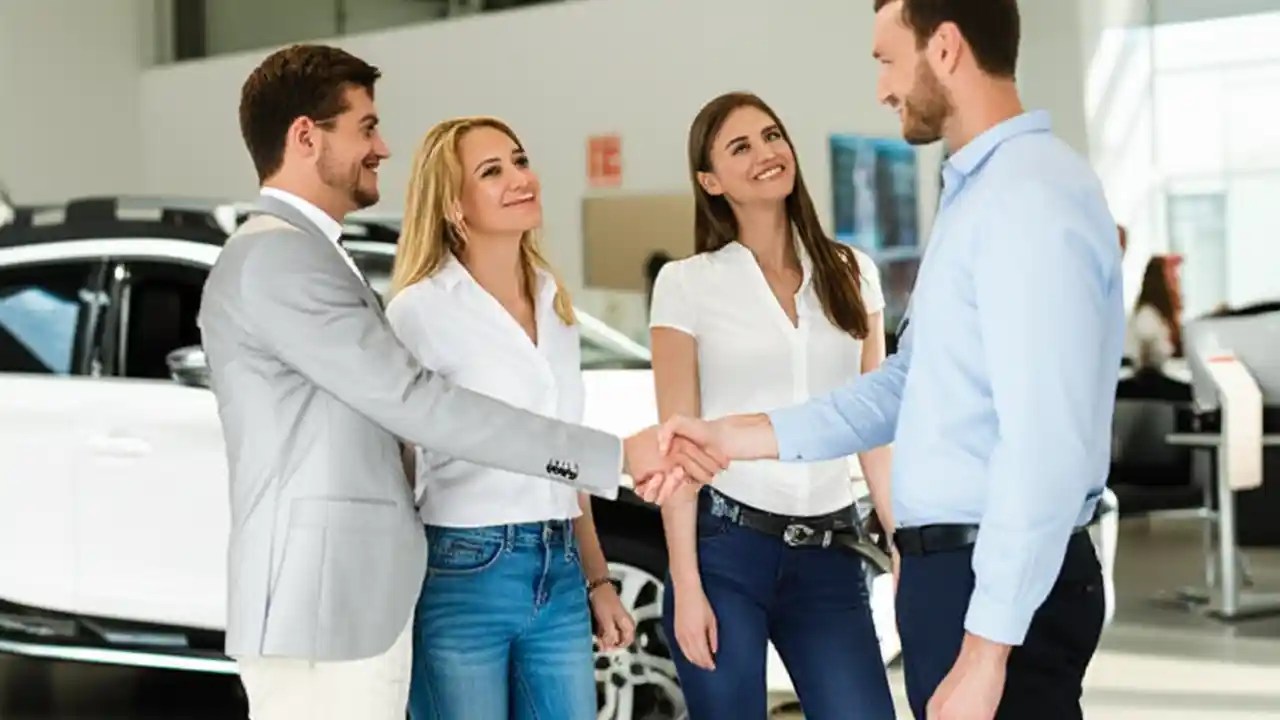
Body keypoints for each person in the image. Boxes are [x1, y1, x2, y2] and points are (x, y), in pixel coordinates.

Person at [197, 44, 723, 720]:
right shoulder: (280, 258)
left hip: (369, 600)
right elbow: (420, 407)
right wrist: (615, 457)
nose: (382, 146)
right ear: (306, 135)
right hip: (330, 606)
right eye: (365, 127)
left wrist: (593, 572)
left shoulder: (309, 255)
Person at [658, 2, 1125, 718]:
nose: (881, 88)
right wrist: (736, 435)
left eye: (886, 59)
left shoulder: (1026, 197)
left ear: (943, 48)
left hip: (985, 582)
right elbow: (907, 384)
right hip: (946, 572)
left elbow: (1046, 444)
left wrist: (987, 648)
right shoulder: (976, 194)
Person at [648, 91, 896, 720]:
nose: (766, 153)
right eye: (741, 147)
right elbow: (676, 447)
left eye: (772, 135)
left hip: (833, 551)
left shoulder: (852, 272)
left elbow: (875, 423)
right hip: (726, 549)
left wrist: (900, 540)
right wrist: (688, 586)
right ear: (711, 181)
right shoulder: (687, 284)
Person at [383, 116, 637, 720]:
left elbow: (565, 458)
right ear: (452, 204)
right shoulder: (419, 311)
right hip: (463, 572)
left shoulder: (556, 304)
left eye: (519, 161)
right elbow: (396, 471)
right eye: (491, 171)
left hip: (560, 573)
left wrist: (598, 580)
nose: (520, 178)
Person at [1126, 254, 1183, 370]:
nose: (1177, 280)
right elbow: (1158, 355)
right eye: (1172, 276)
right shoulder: (1147, 316)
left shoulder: (1165, 316)